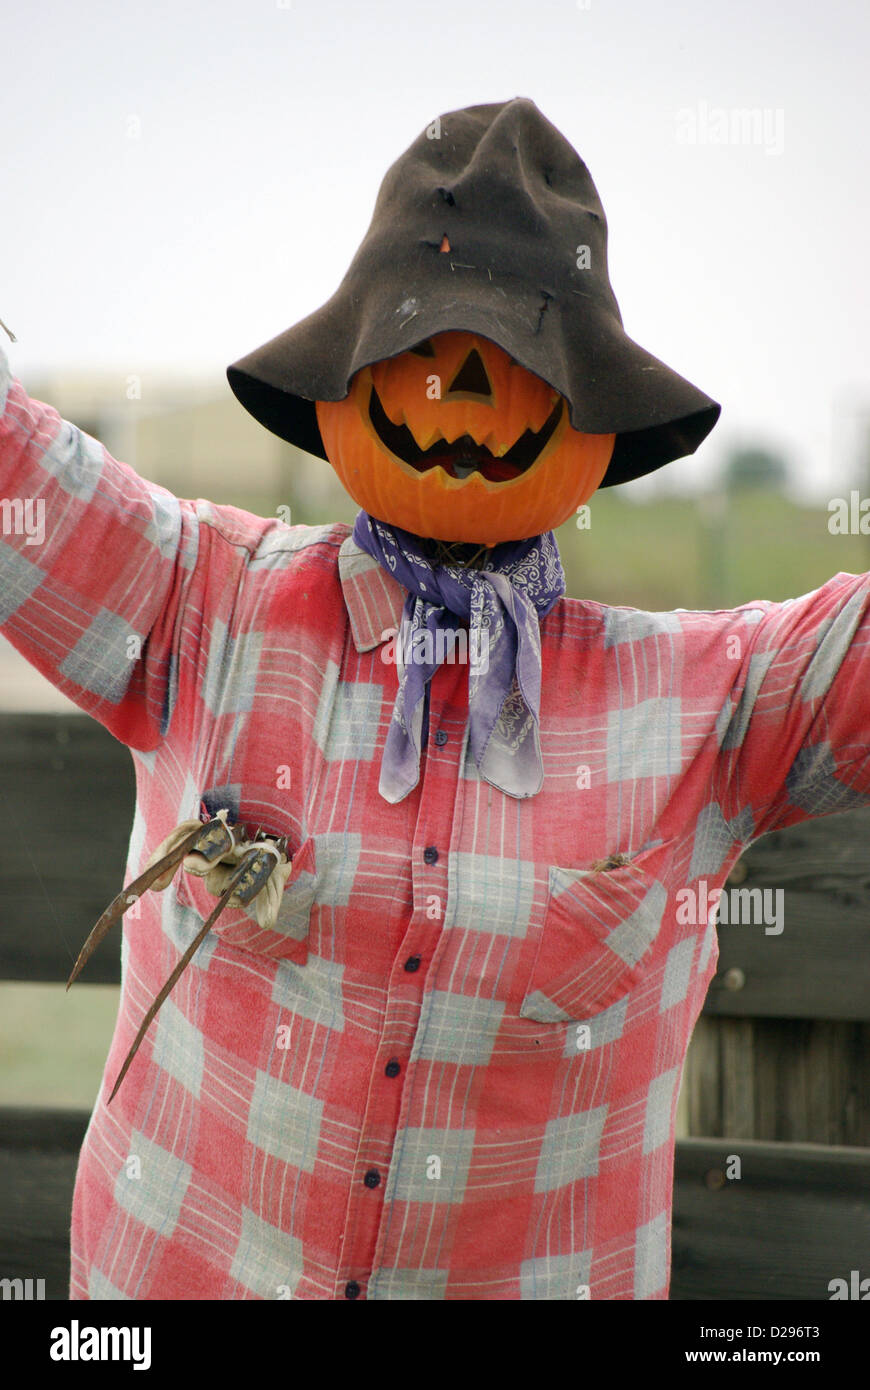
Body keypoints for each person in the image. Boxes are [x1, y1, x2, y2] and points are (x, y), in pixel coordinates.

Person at [1, 97, 867, 1301]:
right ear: (347, 373)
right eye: (424, 350)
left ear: (591, 412)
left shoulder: (710, 703)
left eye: (517, 364)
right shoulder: (201, 603)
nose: (462, 393)